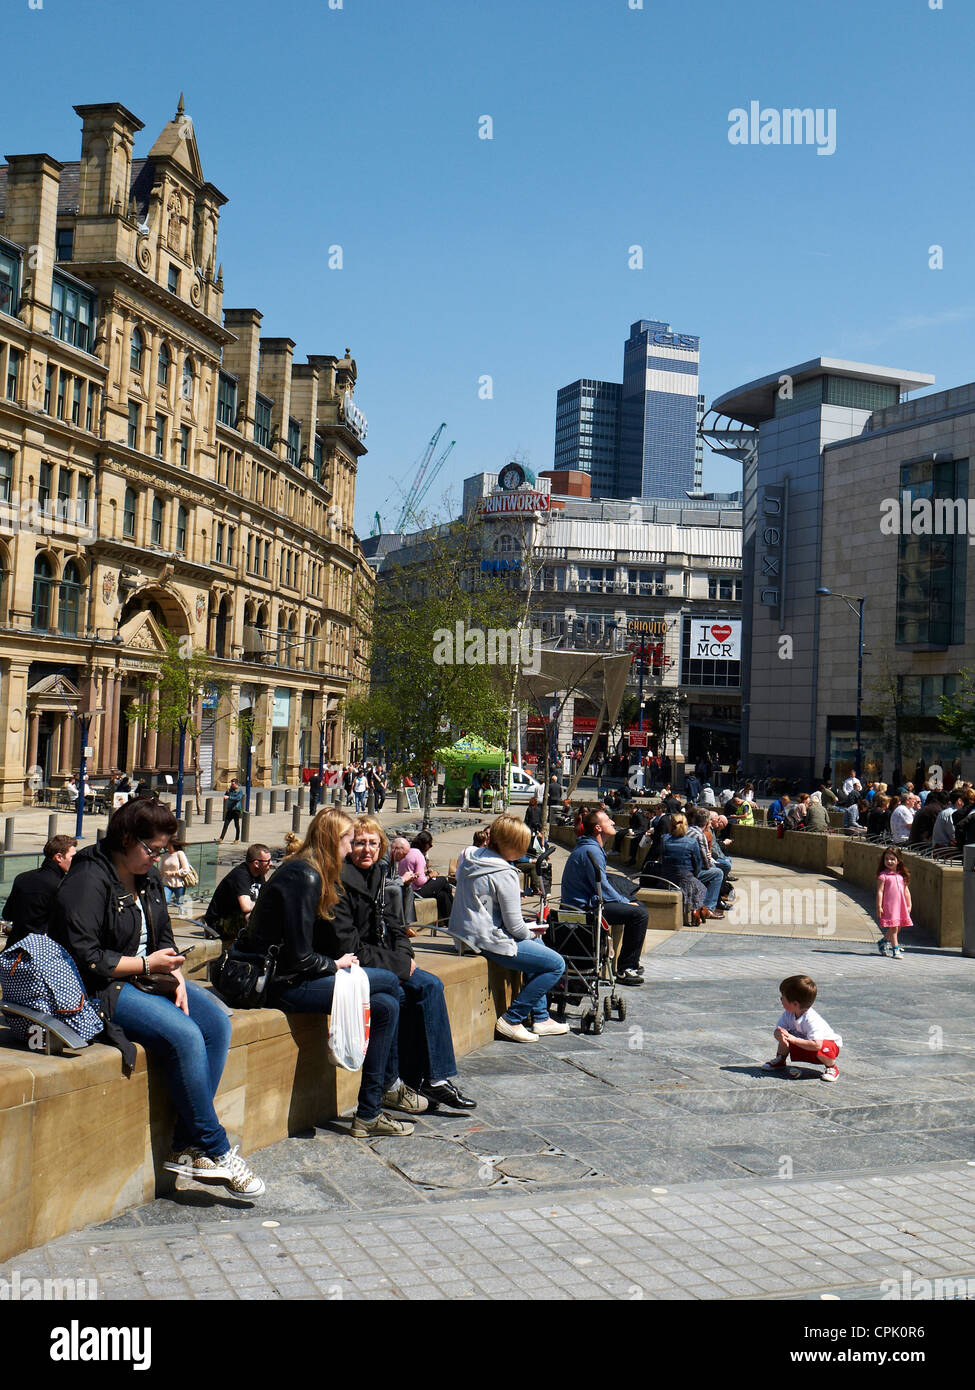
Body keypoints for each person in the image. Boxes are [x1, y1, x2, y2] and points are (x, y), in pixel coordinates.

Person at [50, 798, 265, 1194]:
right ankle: (216, 1149)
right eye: (152, 849)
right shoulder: (88, 879)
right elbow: (86, 957)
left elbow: (164, 935)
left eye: (163, 850)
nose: (157, 858)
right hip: (101, 988)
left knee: (217, 1025)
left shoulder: (146, 877)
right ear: (126, 839)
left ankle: (185, 1145)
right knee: (185, 1035)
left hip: (150, 976)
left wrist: (177, 974)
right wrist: (148, 965)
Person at [245, 809, 412, 1138]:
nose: (351, 849)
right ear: (333, 839)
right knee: (391, 983)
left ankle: (370, 1112)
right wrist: (334, 965)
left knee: (388, 1006)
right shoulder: (304, 876)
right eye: (349, 840)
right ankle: (389, 1085)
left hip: (294, 975)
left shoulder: (311, 870)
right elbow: (297, 957)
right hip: (279, 982)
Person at [319, 816, 476, 1112]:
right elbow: (348, 945)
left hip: (383, 957)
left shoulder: (379, 873)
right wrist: (399, 965)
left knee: (429, 985)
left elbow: (394, 924)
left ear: (382, 846)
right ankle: (414, 1080)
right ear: (349, 846)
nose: (367, 849)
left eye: (373, 843)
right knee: (408, 992)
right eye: (359, 843)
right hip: (356, 963)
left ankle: (431, 1078)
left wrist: (405, 955)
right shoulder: (339, 882)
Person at [449, 814, 568, 1043]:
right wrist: (532, 931)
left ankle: (541, 1017)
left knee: (538, 948)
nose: (525, 850)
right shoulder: (505, 873)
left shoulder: (470, 855)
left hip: (463, 934)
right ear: (512, 845)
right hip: (486, 940)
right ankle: (513, 1019)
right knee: (556, 964)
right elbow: (515, 927)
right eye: (522, 845)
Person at [560, 806, 648, 985]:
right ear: (598, 828)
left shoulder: (590, 847)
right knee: (639, 914)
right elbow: (602, 887)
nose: (613, 822)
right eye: (608, 820)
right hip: (584, 909)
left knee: (639, 907)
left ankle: (629, 963)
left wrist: (625, 901)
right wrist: (624, 901)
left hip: (588, 902)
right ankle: (625, 969)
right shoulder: (591, 851)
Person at [763, 974, 841, 1082]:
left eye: (783, 997)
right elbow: (778, 1030)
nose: (780, 999)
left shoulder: (812, 1019)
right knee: (785, 1034)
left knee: (824, 1046)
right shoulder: (788, 1014)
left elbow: (817, 1044)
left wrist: (793, 1039)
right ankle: (780, 1059)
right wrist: (780, 1035)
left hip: (822, 1048)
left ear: (795, 1004)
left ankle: (831, 1067)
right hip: (805, 1044)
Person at [3, 834, 77, 944]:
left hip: (16, 944)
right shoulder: (62, 885)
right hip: (45, 948)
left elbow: (7, 914)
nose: (75, 861)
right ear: (59, 857)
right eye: (72, 857)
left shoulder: (21, 878)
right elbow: (68, 922)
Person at [659, 811, 721, 922]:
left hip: (666, 878)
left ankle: (702, 908)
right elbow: (698, 865)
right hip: (685, 879)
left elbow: (662, 858)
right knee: (718, 873)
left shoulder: (664, 839)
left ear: (671, 826)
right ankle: (707, 908)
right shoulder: (692, 842)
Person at [204, 844, 273, 941]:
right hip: (218, 923)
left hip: (236, 917)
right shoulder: (241, 875)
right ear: (256, 863)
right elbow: (246, 907)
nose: (271, 864)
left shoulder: (259, 875)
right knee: (250, 916)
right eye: (268, 861)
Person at [402, 830, 453, 921]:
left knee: (442, 894)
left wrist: (424, 872)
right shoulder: (419, 855)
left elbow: (413, 871)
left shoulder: (408, 852)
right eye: (430, 845)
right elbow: (420, 881)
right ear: (425, 844)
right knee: (442, 880)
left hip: (406, 888)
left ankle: (448, 919)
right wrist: (431, 875)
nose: (430, 847)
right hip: (415, 890)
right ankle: (454, 911)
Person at [876, 847, 912, 959]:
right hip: (890, 906)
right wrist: (879, 906)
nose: (889, 861)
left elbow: (906, 891)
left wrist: (909, 904)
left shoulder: (901, 876)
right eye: (886, 859)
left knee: (899, 925)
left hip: (900, 905)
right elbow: (880, 891)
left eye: (892, 859)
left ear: (898, 860)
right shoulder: (883, 876)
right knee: (894, 928)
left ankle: (883, 941)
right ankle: (895, 949)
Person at [160, 838, 191, 907]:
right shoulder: (165, 855)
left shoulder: (180, 853)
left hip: (179, 884)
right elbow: (161, 870)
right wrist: (159, 880)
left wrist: (173, 873)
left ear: (171, 844)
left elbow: (186, 869)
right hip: (166, 883)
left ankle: (180, 913)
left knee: (179, 904)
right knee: (164, 901)